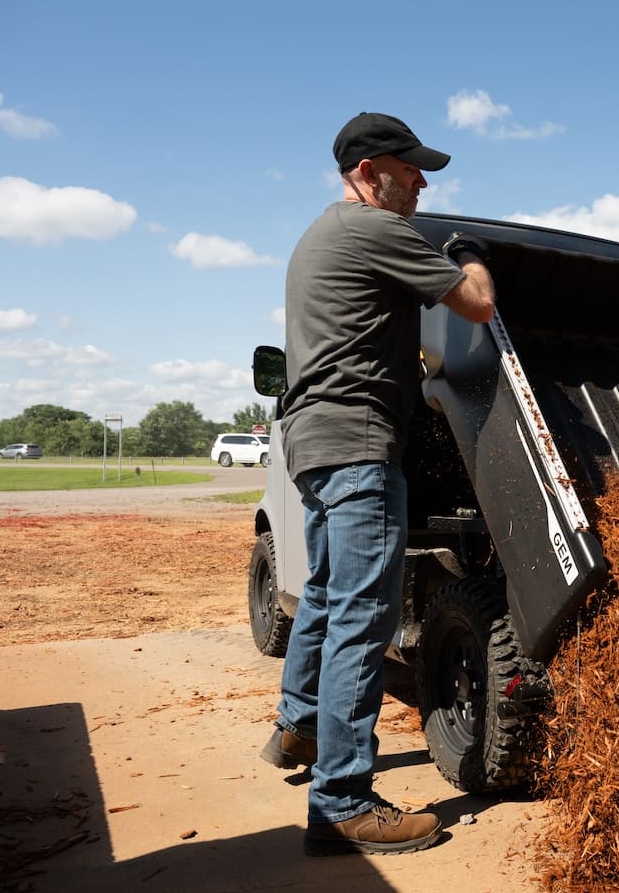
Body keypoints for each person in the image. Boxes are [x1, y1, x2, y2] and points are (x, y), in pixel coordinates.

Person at [261, 111, 496, 857]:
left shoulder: (321, 236)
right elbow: (477, 303)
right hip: (359, 445)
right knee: (365, 616)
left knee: (328, 596)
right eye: (412, 168)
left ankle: (298, 729)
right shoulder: (376, 231)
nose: (423, 181)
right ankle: (342, 804)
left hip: (317, 442)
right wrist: (467, 252)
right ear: (371, 172)